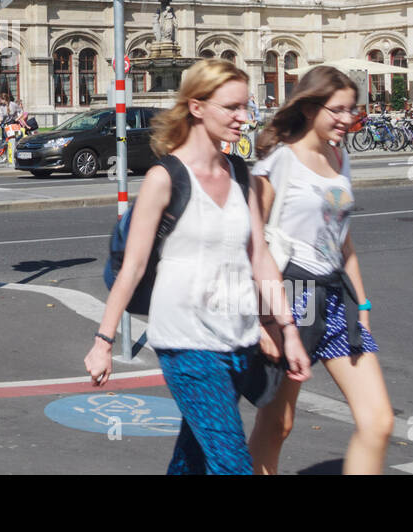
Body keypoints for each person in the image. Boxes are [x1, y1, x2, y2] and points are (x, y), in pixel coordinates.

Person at [84, 59, 311, 475]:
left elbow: (259, 256)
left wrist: (287, 329)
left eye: (246, 106)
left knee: (192, 458)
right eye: (233, 108)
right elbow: (133, 267)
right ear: (197, 107)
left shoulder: (243, 176)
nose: (245, 117)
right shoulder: (164, 178)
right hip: (186, 343)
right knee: (232, 465)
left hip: (238, 339)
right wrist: (104, 342)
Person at [247, 65, 393, 475]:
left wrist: (362, 305)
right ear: (311, 108)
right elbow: (252, 244)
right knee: (278, 423)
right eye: (339, 109)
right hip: (292, 296)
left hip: (336, 295)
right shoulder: (278, 162)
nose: (348, 119)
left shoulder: (339, 155)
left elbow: (342, 239)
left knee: (378, 421)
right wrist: (264, 319)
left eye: (353, 110)